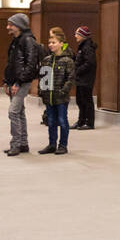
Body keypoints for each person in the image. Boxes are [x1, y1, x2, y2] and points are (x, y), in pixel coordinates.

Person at [3, 13, 39, 156]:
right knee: (20, 111)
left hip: (22, 82)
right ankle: (23, 144)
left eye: (10, 24)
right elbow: (11, 64)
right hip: (14, 81)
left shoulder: (28, 40)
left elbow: (30, 65)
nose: (8, 27)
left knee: (13, 111)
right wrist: (6, 81)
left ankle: (16, 144)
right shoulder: (16, 40)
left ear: (19, 26)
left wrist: (18, 82)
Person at [38, 27, 75, 155]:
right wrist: (41, 91)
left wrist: (64, 91)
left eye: (53, 43)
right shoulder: (47, 60)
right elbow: (43, 77)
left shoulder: (67, 60)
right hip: (49, 97)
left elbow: (70, 78)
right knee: (51, 121)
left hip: (61, 97)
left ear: (61, 44)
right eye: (49, 43)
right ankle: (52, 144)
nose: (51, 45)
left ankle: (63, 145)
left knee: (62, 121)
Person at [72, 26, 96, 129]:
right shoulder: (82, 46)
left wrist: (77, 71)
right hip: (80, 79)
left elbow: (90, 63)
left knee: (87, 101)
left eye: (77, 34)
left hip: (86, 79)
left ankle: (89, 122)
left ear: (82, 35)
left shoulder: (87, 47)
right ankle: (81, 121)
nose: (75, 36)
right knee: (80, 101)